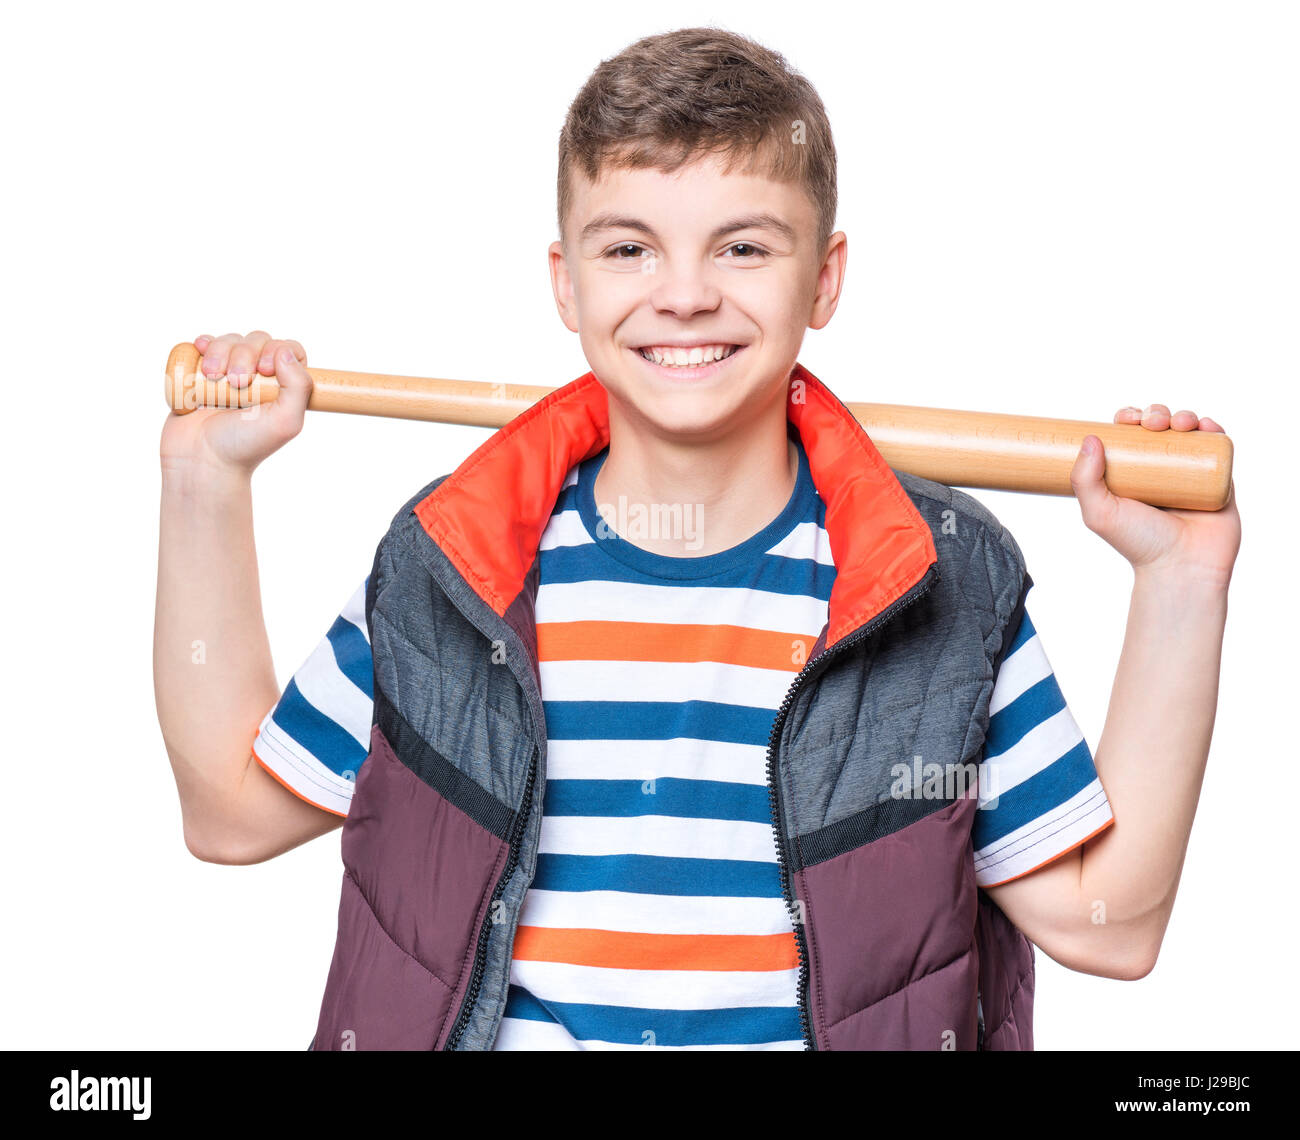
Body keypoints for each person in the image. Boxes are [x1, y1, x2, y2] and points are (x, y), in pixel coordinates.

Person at [153, 27, 1240, 1050]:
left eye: (743, 246)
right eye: (629, 247)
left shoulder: (932, 581)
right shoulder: (455, 565)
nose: (683, 295)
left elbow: (1109, 925)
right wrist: (205, 481)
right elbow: (233, 815)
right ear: (564, 283)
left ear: (823, 279)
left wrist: (1181, 587)